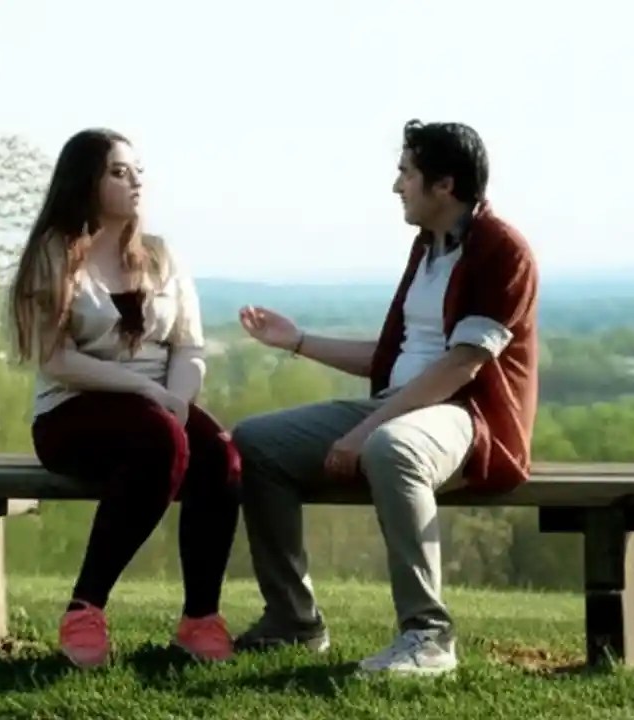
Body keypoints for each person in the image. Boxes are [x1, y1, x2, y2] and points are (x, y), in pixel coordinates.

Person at [231, 120, 539, 675]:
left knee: (391, 447)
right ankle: (293, 621)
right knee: (257, 442)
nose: (397, 186)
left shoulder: (502, 251)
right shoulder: (427, 249)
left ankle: (428, 637)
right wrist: (297, 341)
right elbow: (392, 359)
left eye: (406, 173)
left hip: (469, 420)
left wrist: (363, 432)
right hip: (400, 406)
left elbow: (460, 364)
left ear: (444, 185)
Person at [8, 128, 241, 669]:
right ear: (86, 181)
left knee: (222, 456)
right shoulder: (54, 254)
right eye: (118, 171)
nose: (135, 181)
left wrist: (179, 398)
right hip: (74, 410)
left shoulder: (160, 256)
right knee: (160, 438)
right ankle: (85, 608)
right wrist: (143, 388)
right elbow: (55, 359)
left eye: (138, 170)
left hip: (160, 405)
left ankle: (199, 619)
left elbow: (189, 344)